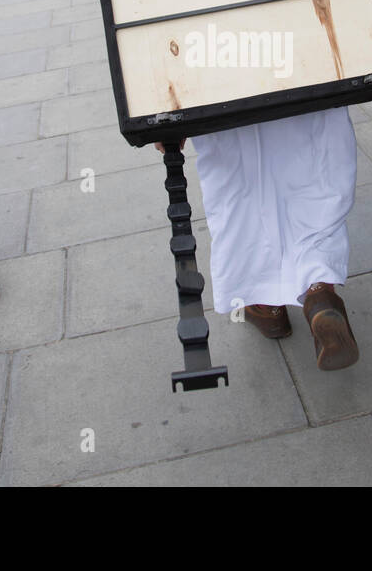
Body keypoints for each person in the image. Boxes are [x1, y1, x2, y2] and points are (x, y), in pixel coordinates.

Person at [154, 104, 361, 371]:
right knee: (314, 179)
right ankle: (319, 290)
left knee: (243, 193)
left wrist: (162, 113)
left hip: (217, 83)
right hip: (306, 76)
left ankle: (266, 305)